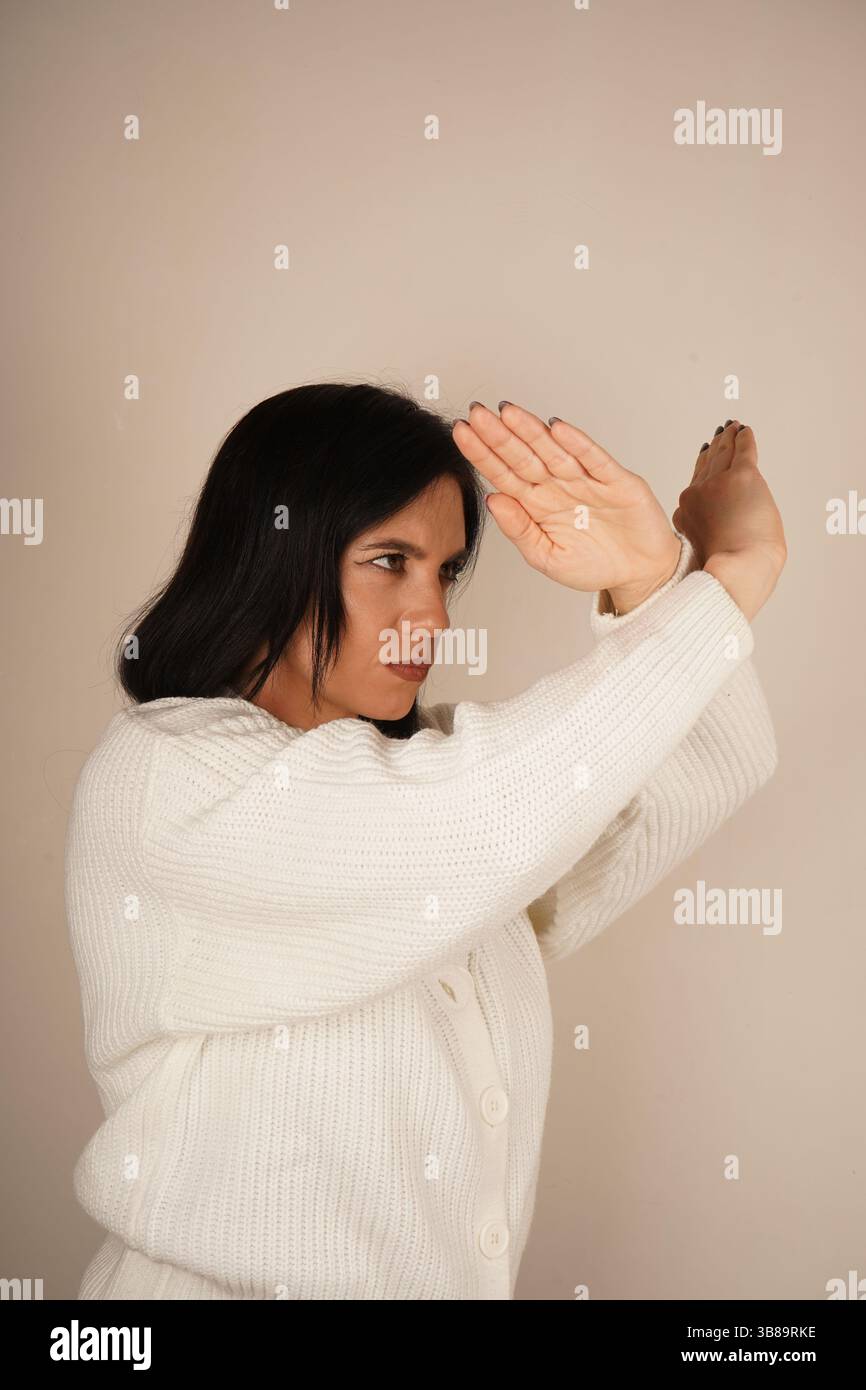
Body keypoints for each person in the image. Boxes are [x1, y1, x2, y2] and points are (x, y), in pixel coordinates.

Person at [66, 384, 786, 1300]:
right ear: (273, 555)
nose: (434, 618)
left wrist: (655, 587)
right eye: (390, 560)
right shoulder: (164, 777)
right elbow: (480, 817)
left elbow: (689, 775)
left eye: (444, 572)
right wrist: (731, 574)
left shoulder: (438, 782)